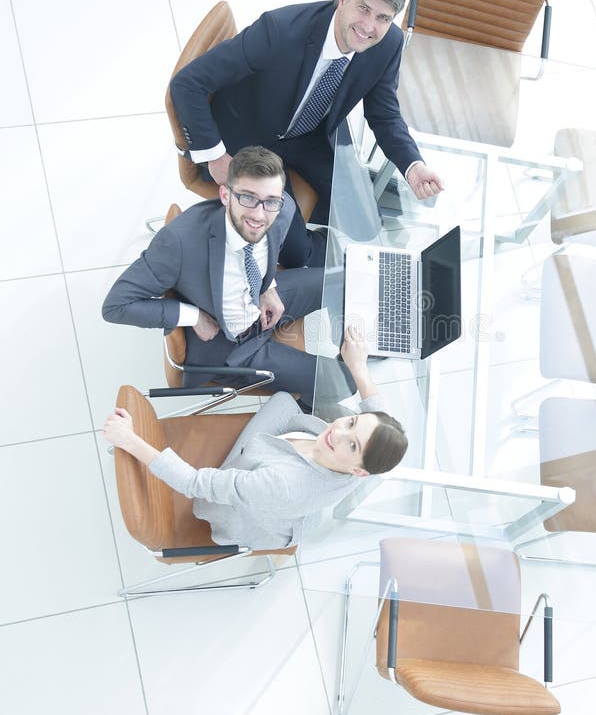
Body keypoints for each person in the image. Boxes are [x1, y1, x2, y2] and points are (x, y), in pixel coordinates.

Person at [169, 0, 445, 268]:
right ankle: (312, 262)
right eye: (363, 9)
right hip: (247, 144)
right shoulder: (280, 30)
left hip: (307, 136)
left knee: (365, 225)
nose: (369, 27)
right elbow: (186, 84)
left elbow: (384, 113)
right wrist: (216, 156)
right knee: (298, 253)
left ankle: (322, 240)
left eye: (382, 17)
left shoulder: (388, 44)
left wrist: (413, 166)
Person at [103, 327, 407, 551]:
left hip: (238, 504)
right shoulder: (372, 456)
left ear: (358, 471)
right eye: (351, 422)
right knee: (285, 399)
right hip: (286, 480)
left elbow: (195, 484)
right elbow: (378, 413)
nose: (338, 432)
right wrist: (358, 366)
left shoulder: (281, 484)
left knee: (289, 398)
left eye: (351, 444)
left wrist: (129, 440)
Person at [102, 145, 338, 409]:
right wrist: (192, 316)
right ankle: (305, 404)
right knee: (341, 382)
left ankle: (375, 341)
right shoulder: (179, 243)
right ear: (225, 194)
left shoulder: (282, 211)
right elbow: (115, 306)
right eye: (247, 198)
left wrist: (268, 285)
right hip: (228, 347)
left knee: (341, 282)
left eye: (270, 201)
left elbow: (263, 251)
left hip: (260, 302)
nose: (259, 215)